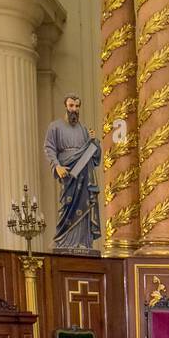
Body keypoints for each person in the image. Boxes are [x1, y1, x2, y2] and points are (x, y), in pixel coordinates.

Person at [44, 95, 102, 252]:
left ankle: (83, 241)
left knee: (84, 204)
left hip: (83, 172)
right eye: (71, 106)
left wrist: (93, 140)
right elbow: (49, 148)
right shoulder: (55, 127)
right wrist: (56, 166)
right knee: (68, 205)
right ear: (65, 106)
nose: (74, 109)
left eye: (77, 106)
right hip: (68, 173)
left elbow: (93, 154)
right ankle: (63, 240)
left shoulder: (84, 129)